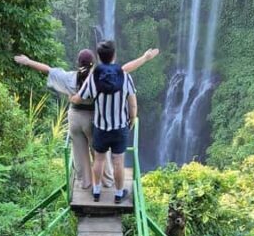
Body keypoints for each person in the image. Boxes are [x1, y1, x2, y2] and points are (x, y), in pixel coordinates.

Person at [14, 47, 157, 189]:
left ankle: (85, 182)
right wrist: (145, 58)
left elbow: (48, 70)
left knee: (79, 151)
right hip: (94, 119)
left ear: (78, 63)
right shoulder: (99, 77)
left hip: (75, 118)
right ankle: (107, 180)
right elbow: (124, 69)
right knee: (100, 152)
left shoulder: (69, 77)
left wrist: (28, 61)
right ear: (93, 63)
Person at [70, 39, 137, 204]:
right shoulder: (125, 76)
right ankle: (119, 194)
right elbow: (132, 103)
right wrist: (132, 118)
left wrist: (71, 97)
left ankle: (97, 191)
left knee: (99, 159)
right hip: (120, 127)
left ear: (99, 57)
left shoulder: (93, 78)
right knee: (118, 161)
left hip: (100, 127)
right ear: (114, 55)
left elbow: (79, 98)